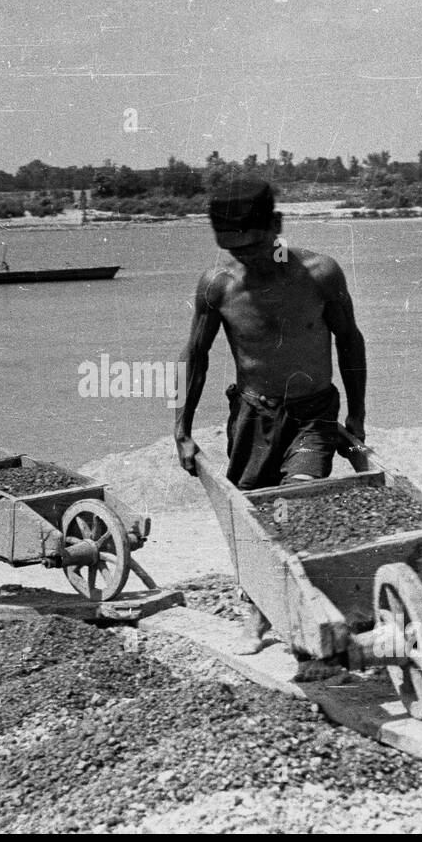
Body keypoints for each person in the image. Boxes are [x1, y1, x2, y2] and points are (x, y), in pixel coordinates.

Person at [174, 179, 368, 654]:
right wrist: (180, 428)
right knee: (253, 518)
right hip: (252, 417)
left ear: (277, 226)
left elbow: (350, 341)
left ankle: (313, 610)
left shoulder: (322, 273)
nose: (250, 257)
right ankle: (255, 614)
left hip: (314, 413)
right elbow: (194, 356)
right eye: (235, 248)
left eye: (257, 244)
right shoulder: (218, 285)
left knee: (301, 503)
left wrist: (358, 417)